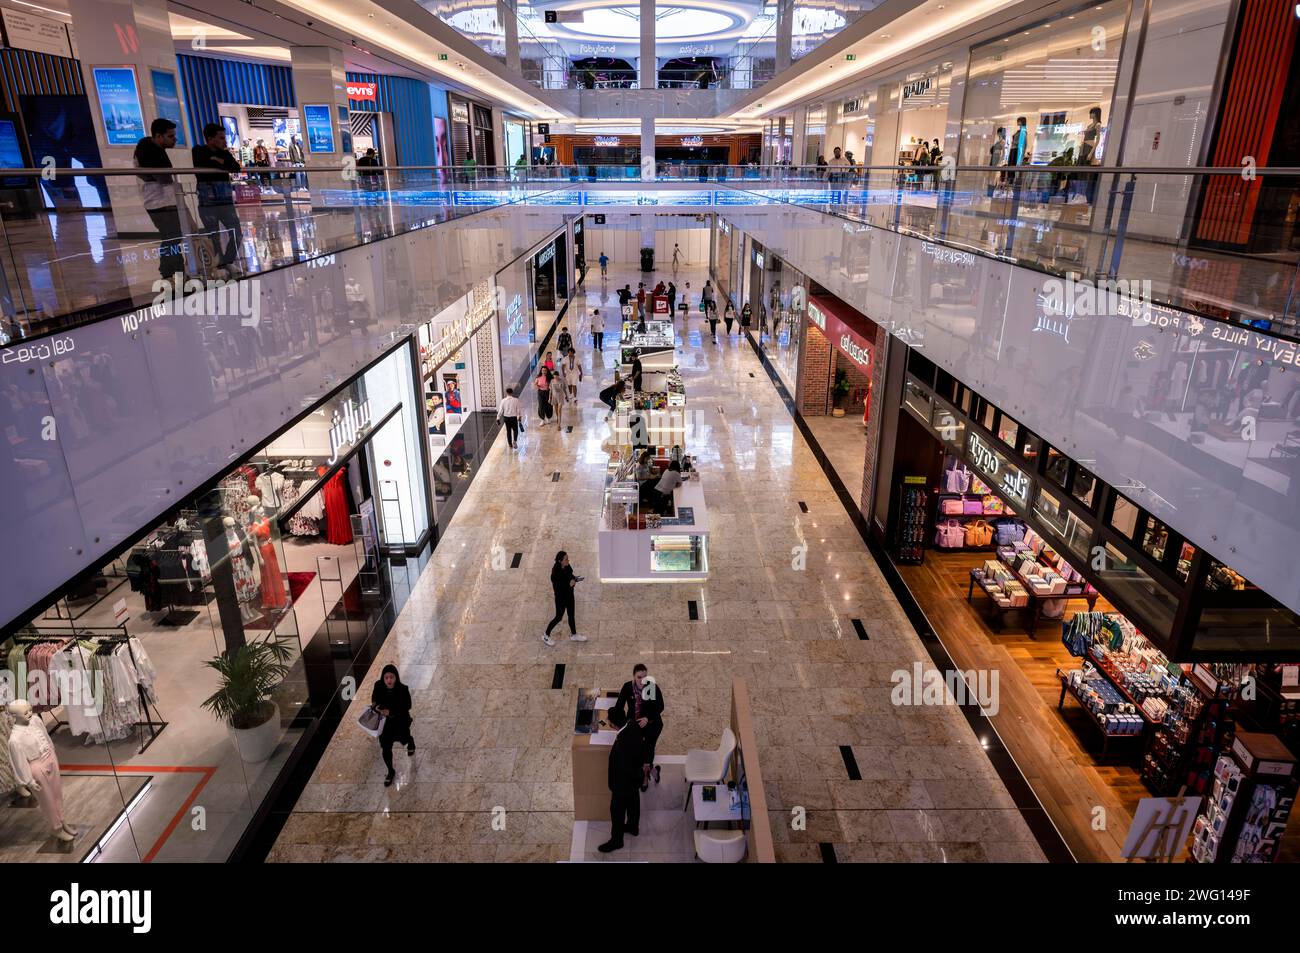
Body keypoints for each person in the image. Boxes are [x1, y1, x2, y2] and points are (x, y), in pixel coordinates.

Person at [133, 118, 184, 281]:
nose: (174, 139)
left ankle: (173, 272)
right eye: (171, 136)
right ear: (158, 136)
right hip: (157, 202)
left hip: (164, 201)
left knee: (173, 237)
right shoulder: (147, 149)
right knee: (171, 237)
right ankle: (171, 273)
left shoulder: (155, 148)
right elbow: (163, 178)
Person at [192, 122, 244, 272]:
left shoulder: (225, 153)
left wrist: (217, 162)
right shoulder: (198, 150)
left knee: (236, 233)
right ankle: (220, 264)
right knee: (213, 236)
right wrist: (221, 163)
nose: (225, 141)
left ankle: (228, 261)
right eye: (221, 138)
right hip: (207, 202)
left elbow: (235, 167)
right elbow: (201, 166)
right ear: (210, 138)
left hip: (225, 201)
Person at [614, 663, 665, 791]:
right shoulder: (627, 687)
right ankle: (653, 771)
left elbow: (660, 706)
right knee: (638, 750)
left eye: (645, 677)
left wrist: (648, 718)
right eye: (639, 677)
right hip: (635, 724)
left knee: (648, 747)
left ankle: (645, 776)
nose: (642, 681)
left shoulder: (652, 687)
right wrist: (622, 723)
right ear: (633, 676)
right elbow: (619, 706)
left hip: (652, 724)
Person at [597, 713, 642, 852]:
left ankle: (617, 840)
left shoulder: (621, 745)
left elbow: (621, 767)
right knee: (634, 803)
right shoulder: (633, 724)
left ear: (612, 725)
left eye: (608, 721)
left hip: (622, 784)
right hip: (635, 778)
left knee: (616, 812)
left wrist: (614, 786)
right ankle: (633, 827)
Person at [371, 664, 414, 787]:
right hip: (384, 725)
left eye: (391, 677)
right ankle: (390, 771)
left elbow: (407, 706)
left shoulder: (403, 689)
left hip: (399, 721)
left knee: (404, 738)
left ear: (396, 678)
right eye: (386, 678)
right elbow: (374, 698)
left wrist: (391, 711)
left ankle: (411, 742)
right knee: (385, 748)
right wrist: (375, 706)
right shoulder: (378, 686)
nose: (389, 680)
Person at [544, 551, 585, 645]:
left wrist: (575, 579)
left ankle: (574, 635)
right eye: (566, 559)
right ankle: (546, 635)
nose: (568, 560)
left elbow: (570, 575)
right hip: (561, 599)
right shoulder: (555, 574)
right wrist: (570, 584)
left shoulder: (567, 566)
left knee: (571, 615)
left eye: (567, 558)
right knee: (558, 617)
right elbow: (559, 588)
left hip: (570, 595)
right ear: (560, 561)